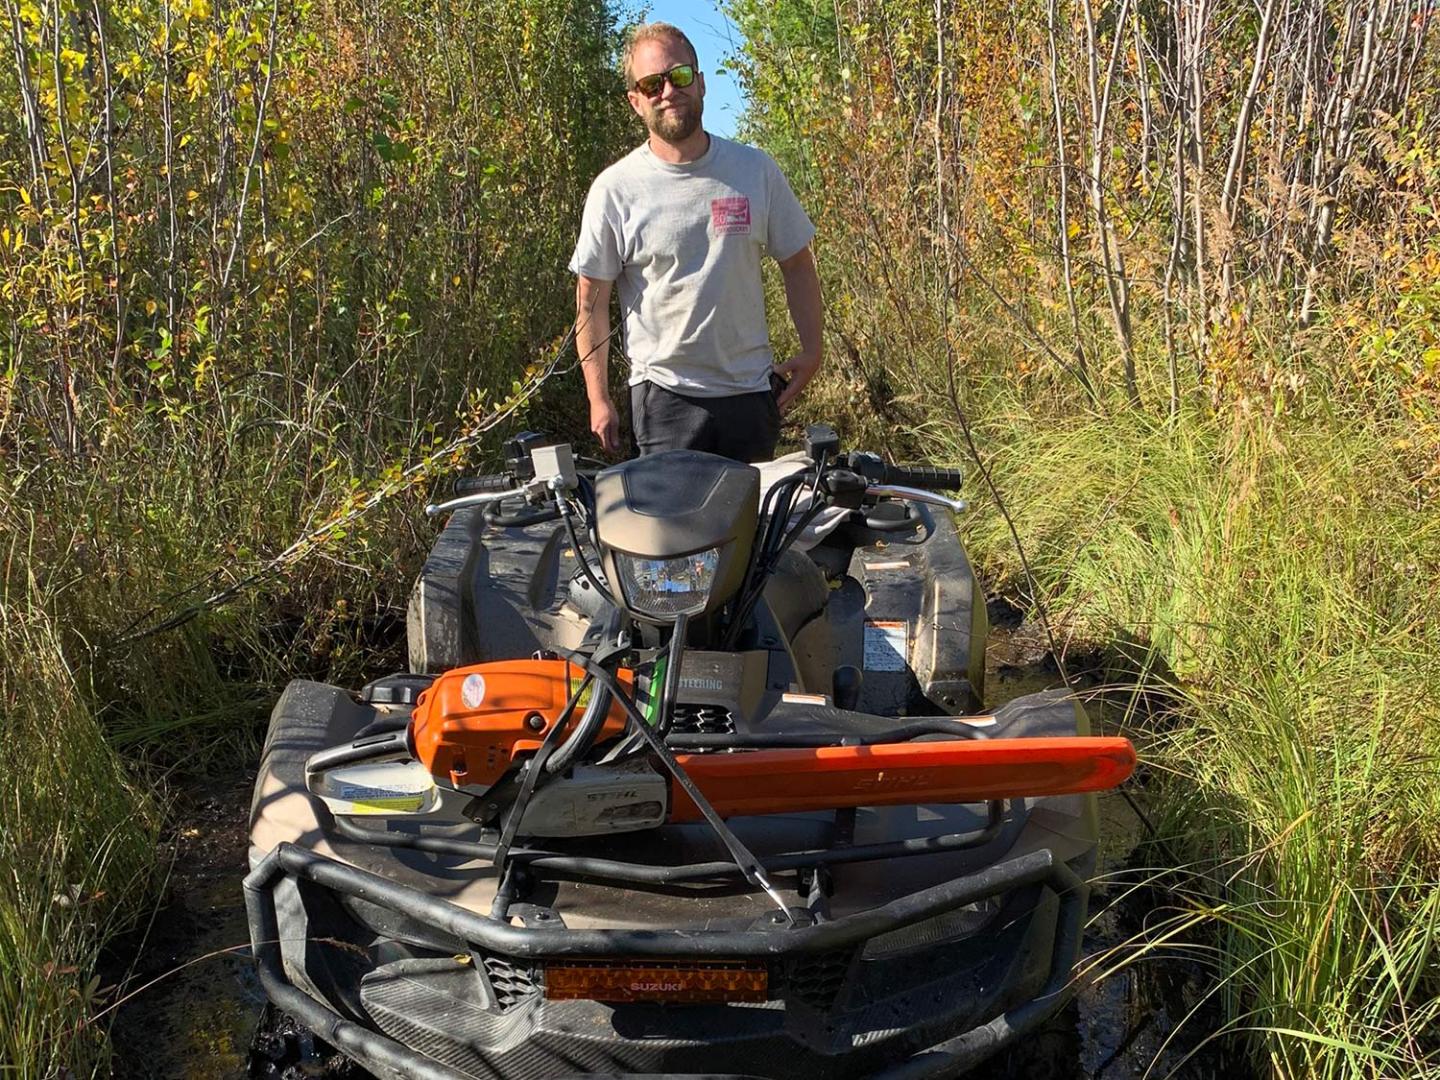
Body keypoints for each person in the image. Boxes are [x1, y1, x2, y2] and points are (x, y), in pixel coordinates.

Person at [569, 21, 823, 464]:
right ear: (636, 101)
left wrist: (812, 351)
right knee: (673, 532)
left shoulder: (754, 171)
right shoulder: (616, 189)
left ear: (700, 82)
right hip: (664, 400)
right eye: (652, 84)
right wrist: (598, 396)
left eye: (680, 75)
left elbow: (798, 263)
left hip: (750, 395)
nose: (668, 90)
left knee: (755, 531)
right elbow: (592, 298)